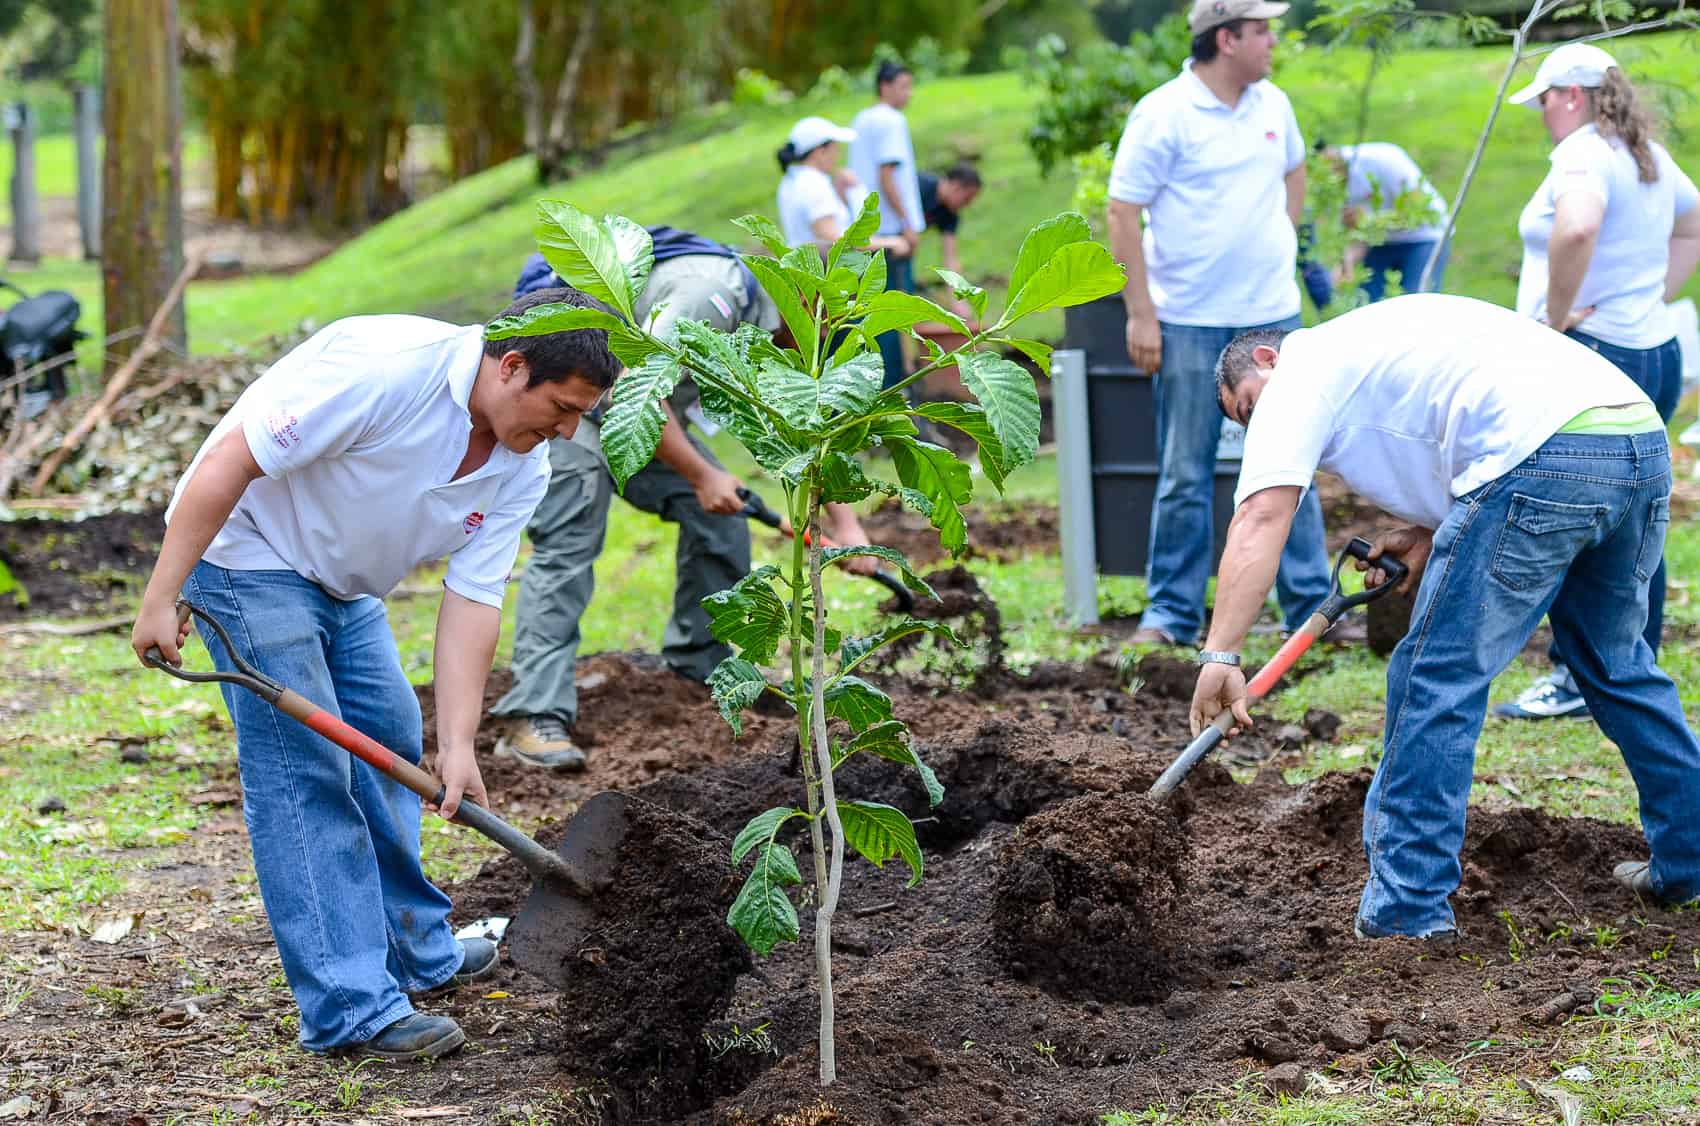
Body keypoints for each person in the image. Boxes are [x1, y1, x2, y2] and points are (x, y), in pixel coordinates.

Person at [129, 291, 620, 1058]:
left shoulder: (524, 462)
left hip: (343, 579)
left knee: (389, 738)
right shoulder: (390, 374)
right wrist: (163, 593)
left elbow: (475, 594)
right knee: (308, 772)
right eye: (560, 408)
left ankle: (412, 950)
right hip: (249, 553)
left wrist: (459, 742)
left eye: (577, 418)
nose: (564, 430)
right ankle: (349, 1006)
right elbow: (235, 457)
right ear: (511, 366)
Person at [1193, 293, 1700, 939]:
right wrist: (1434, 527)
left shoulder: (1302, 367)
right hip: (1633, 438)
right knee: (1617, 665)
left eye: (1250, 406)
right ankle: (1689, 858)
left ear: (1266, 358)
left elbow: (1261, 517)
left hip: (1545, 453)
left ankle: (1406, 913)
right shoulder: (1373, 344)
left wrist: (1221, 654)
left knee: (1435, 678)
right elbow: (1466, 429)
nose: (1258, 421)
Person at [497, 225, 882, 770]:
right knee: (570, 542)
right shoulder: (712, 293)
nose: (827, 337)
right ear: (805, 296)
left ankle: (698, 668)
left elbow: (798, 428)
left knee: (722, 521)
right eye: (829, 318)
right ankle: (532, 719)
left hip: (651, 422)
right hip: (579, 410)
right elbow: (634, 390)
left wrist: (848, 529)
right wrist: (703, 476)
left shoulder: (762, 327)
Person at [1105, 0, 1334, 647]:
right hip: (1188, 322)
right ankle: (1171, 613)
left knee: (1295, 464)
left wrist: (1279, 238)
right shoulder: (1164, 114)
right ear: (1226, 38)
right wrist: (1141, 315)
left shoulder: (1274, 105)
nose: (1273, 42)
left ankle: (1307, 614)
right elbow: (1123, 211)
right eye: (1263, 31)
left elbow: (1295, 170)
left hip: (1271, 316)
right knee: (1184, 471)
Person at [1493, 43, 1700, 721]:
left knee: (1580, 514)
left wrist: (1553, 319)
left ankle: (1578, 676)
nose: (1542, 113)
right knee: (1637, 513)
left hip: (1598, 354)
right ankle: (1630, 658)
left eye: (1545, 99)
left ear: (1573, 95)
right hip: (1653, 349)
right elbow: (1693, 224)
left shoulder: (1582, 153)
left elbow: (1577, 225)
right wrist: (1654, 294)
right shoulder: (1644, 154)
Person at [850, 62, 925, 389]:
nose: (908, 94)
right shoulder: (891, 120)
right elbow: (887, 175)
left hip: (867, 227)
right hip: (891, 231)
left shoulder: (862, 119)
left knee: (871, 309)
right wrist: (908, 223)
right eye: (903, 86)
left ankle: (874, 387)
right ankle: (895, 387)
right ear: (885, 86)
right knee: (895, 312)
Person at [1322, 140, 1451, 302]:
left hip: (1424, 235)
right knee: (1368, 304)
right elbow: (1357, 233)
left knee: (1419, 302)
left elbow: (1416, 210)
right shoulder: (1329, 187)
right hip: (1380, 241)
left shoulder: (1381, 162)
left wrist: (1369, 219)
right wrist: (1347, 262)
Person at [917, 164, 984, 322]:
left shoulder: (950, 214)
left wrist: (959, 300)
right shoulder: (919, 186)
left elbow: (951, 258)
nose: (967, 205)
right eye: (967, 198)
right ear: (955, 186)